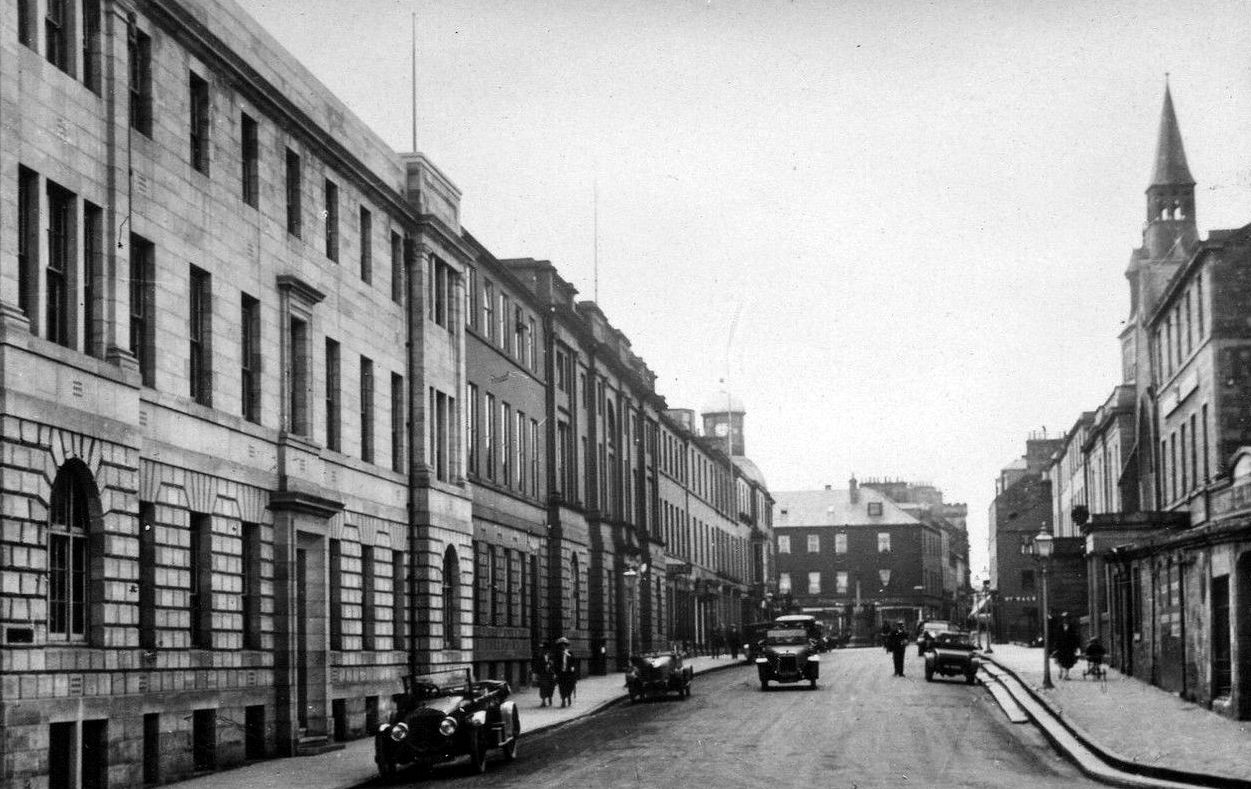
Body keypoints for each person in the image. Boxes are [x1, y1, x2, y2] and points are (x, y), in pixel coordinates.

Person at [1053, 612, 1081, 680]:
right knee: (1060, 660)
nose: (1066, 620)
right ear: (1062, 619)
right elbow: (1056, 637)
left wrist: (1076, 646)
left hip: (1069, 647)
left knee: (1068, 661)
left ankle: (1066, 675)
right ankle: (1061, 670)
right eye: (1064, 619)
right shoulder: (1059, 627)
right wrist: (1055, 646)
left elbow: (1075, 637)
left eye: (1067, 619)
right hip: (1061, 647)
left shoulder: (1072, 627)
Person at [555, 637, 579, 707]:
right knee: (562, 687)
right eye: (561, 645)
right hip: (561, 673)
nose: (562, 646)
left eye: (564, 645)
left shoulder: (570, 653)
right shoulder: (558, 654)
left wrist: (573, 668)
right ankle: (563, 700)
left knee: (569, 687)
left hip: (569, 674)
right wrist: (556, 672)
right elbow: (556, 663)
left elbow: (574, 662)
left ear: (566, 645)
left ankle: (568, 696)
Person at [532, 641, 556, 707]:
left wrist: (551, 666)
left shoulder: (551, 656)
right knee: (543, 687)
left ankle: (550, 698)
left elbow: (555, 665)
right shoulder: (540, 657)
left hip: (550, 674)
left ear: (547, 649)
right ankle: (543, 701)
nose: (542, 650)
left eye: (544, 648)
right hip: (543, 674)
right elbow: (537, 665)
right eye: (542, 649)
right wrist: (536, 674)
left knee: (551, 687)